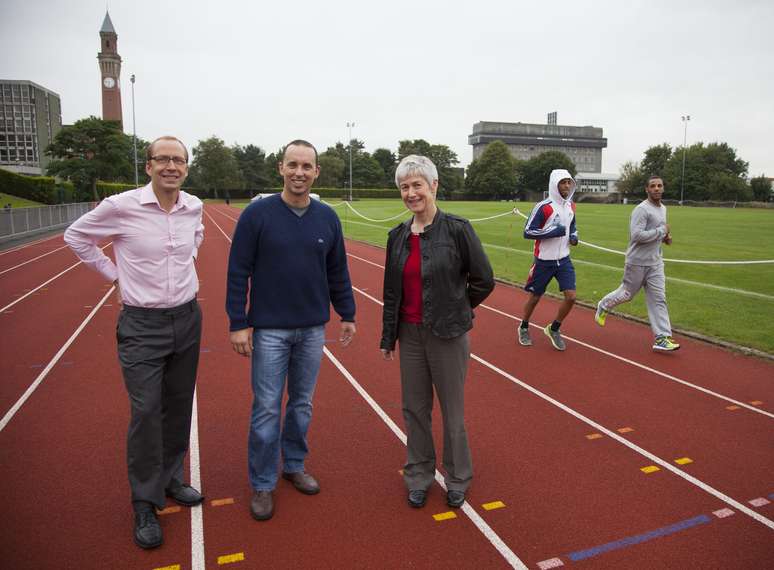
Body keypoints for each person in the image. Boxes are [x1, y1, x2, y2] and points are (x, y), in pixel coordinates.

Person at [64, 136, 204, 549]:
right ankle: (144, 500)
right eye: (163, 159)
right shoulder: (121, 207)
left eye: (178, 160)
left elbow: (196, 236)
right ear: (148, 166)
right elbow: (75, 237)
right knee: (146, 412)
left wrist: (188, 260)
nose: (171, 166)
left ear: (186, 167)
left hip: (187, 317)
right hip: (142, 324)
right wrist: (114, 276)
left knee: (179, 406)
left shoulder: (192, 206)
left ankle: (171, 478)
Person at [226, 139, 356, 521]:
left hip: (313, 328)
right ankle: (263, 483)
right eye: (292, 164)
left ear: (316, 172)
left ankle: (294, 464)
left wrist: (346, 312)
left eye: (307, 166)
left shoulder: (327, 217)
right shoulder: (257, 215)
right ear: (280, 168)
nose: (299, 172)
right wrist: (239, 322)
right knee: (266, 408)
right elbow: (238, 271)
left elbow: (338, 270)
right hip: (269, 331)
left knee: (302, 404)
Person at [380, 155, 494, 510]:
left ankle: (458, 477)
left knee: (452, 412)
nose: (411, 193)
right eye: (405, 187)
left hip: (448, 334)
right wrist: (388, 338)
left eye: (417, 185)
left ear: (434, 186)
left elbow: (484, 280)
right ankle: (418, 475)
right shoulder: (397, 236)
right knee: (414, 409)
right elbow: (390, 293)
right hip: (410, 334)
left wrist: (457, 308)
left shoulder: (458, 230)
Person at [595, 175, 680, 351]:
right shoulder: (641, 210)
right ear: (647, 190)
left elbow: (657, 232)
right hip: (637, 262)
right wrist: (662, 231)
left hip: (655, 262)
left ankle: (662, 337)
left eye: (659, 185)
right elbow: (637, 236)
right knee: (627, 294)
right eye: (653, 186)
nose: (657, 188)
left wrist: (666, 237)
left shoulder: (663, 208)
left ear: (663, 188)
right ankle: (603, 305)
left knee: (659, 299)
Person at [517, 169, 579, 351]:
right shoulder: (543, 207)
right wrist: (551, 231)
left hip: (564, 260)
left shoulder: (571, 206)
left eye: (569, 182)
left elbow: (573, 226)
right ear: (555, 184)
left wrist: (574, 236)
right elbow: (528, 231)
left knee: (572, 297)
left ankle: (554, 328)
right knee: (535, 297)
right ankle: (524, 326)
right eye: (563, 182)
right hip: (544, 261)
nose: (567, 186)